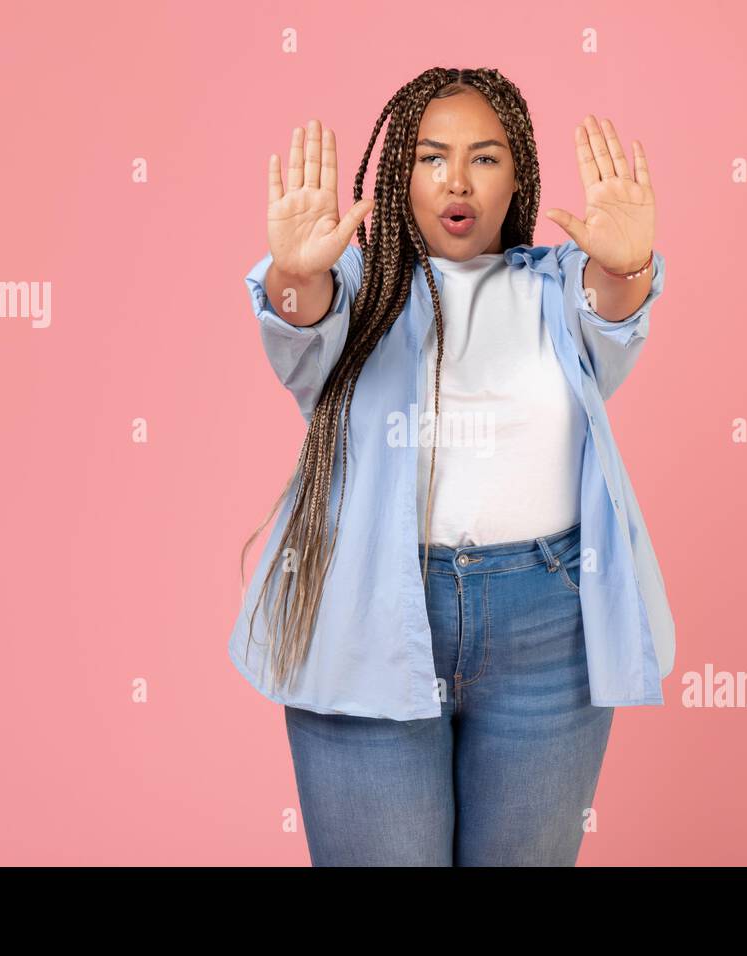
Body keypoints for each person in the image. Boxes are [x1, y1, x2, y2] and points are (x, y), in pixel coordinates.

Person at [231, 66, 676, 866]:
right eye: (431, 157)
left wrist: (629, 265)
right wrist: (297, 275)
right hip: (372, 616)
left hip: (548, 624)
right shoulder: (357, 296)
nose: (457, 181)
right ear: (400, 174)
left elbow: (613, 311)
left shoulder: (555, 287)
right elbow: (299, 330)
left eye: (485, 157)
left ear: (519, 177)